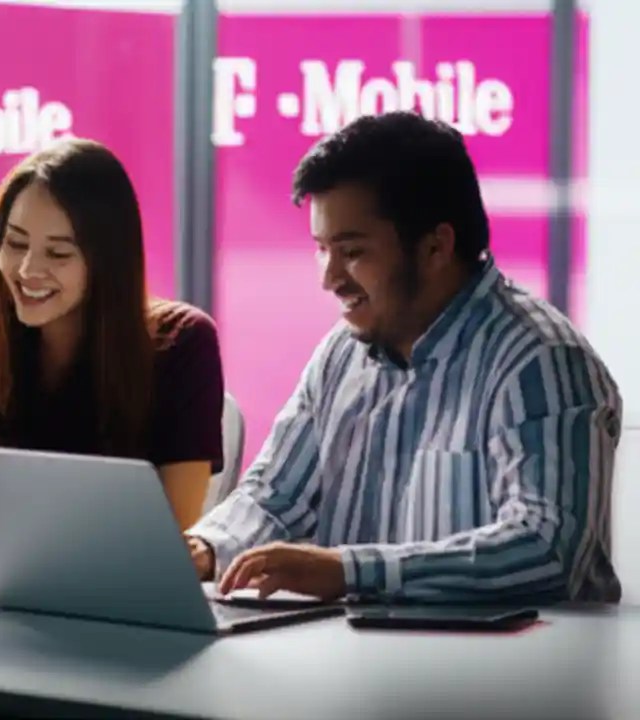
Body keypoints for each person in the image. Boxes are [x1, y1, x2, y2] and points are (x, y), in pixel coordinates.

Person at [186, 111, 622, 605]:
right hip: (357, 663)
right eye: (321, 249)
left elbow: (546, 551)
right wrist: (204, 548)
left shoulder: (541, 362)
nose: (328, 278)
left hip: (505, 676)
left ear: (436, 246)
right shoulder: (340, 354)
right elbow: (275, 497)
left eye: (352, 251)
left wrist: (349, 571)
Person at [0, 138, 225, 534]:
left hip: (105, 591)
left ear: (107, 262)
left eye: (58, 254)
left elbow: (172, 536)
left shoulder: (182, 343)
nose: (28, 269)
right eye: (15, 243)